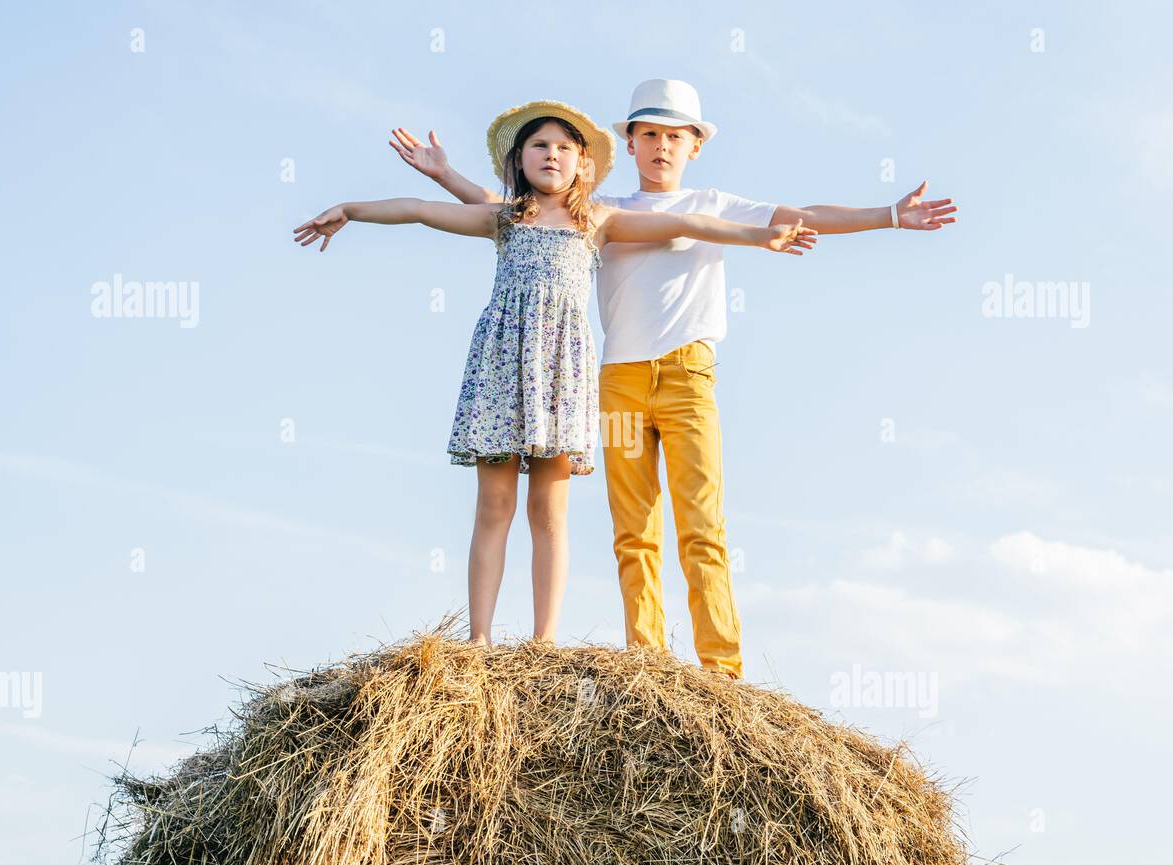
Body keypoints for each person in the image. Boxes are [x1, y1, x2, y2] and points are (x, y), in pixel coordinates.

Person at [389, 79, 958, 680]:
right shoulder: (598, 210)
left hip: (688, 376)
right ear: (628, 143)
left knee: (702, 524)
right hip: (619, 382)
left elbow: (805, 215)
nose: (663, 146)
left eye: (676, 136)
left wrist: (891, 216)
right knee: (633, 531)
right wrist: (441, 176)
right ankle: (649, 663)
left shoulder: (712, 204)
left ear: (695, 146)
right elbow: (512, 214)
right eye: (650, 134)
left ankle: (720, 672)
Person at [295, 100, 815, 649]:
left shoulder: (599, 221)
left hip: (563, 376)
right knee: (494, 503)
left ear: (582, 164)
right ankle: (479, 640)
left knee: (550, 509)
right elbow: (421, 209)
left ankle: (544, 640)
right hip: (502, 369)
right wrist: (350, 208)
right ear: (519, 160)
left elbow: (686, 221)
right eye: (540, 146)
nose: (552, 155)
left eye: (565, 148)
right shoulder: (504, 218)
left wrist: (759, 236)